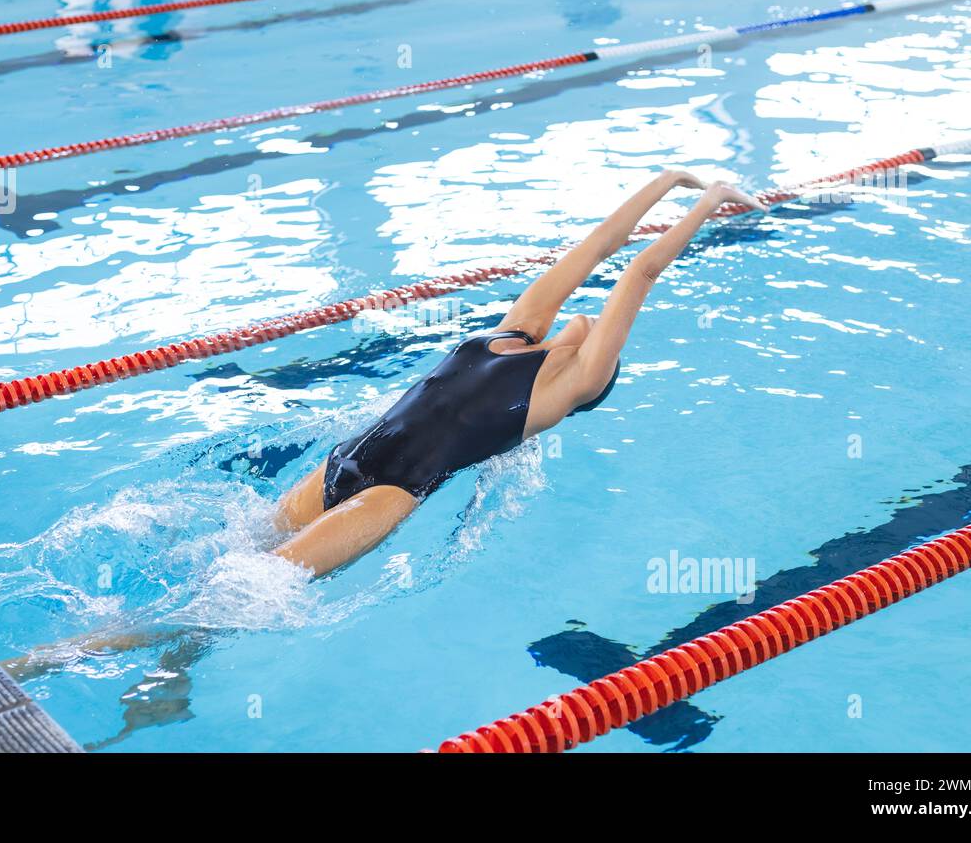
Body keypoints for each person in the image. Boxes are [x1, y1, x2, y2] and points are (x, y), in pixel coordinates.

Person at [269, 172, 763, 577]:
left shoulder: (573, 383)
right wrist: (669, 181)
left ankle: (184, 674)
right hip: (349, 454)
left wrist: (711, 201)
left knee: (262, 584)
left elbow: (641, 272)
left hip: (389, 494)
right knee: (242, 549)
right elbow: (597, 247)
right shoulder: (516, 332)